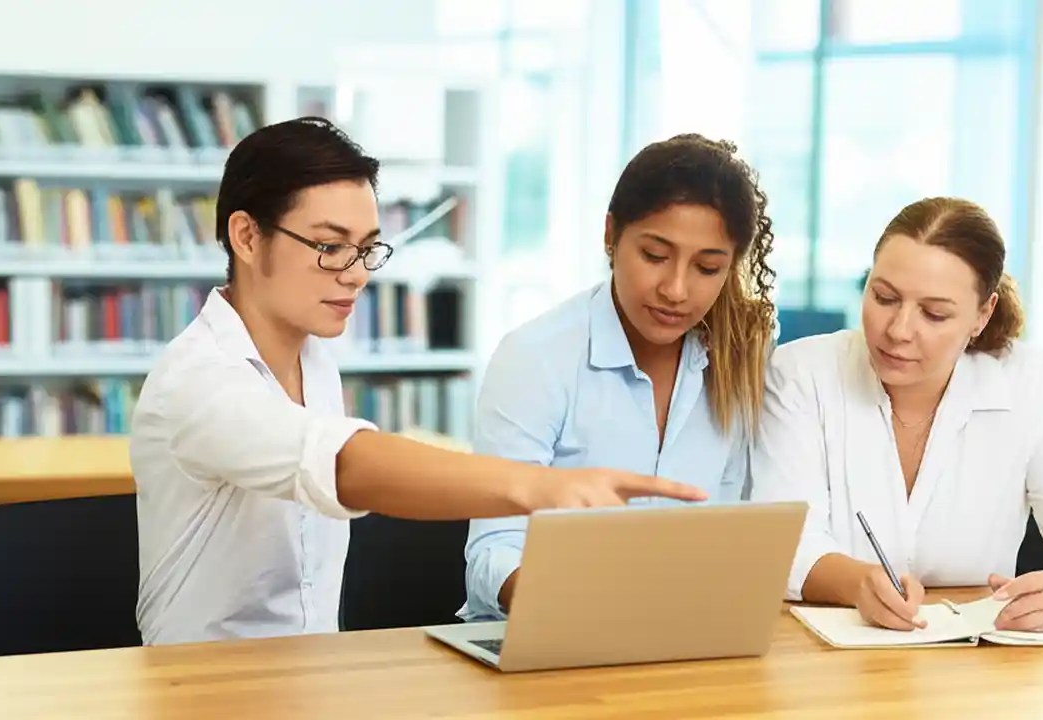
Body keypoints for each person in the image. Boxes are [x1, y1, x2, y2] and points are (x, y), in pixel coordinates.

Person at [130, 117, 706, 646]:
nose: (356, 276)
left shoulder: (315, 364)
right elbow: (345, 465)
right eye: (330, 248)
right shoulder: (198, 380)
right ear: (248, 237)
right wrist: (539, 486)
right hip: (201, 689)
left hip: (307, 679)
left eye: (365, 249)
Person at [750, 197, 1043, 633]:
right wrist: (856, 584)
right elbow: (781, 543)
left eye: (934, 313)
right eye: (884, 297)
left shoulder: (1027, 383)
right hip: (823, 667)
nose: (899, 330)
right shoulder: (801, 375)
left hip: (976, 672)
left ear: (982, 315)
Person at [459, 134, 777, 621]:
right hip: (547, 632)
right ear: (611, 235)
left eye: (707, 268)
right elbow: (494, 550)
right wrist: (578, 607)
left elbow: (746, 529)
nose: (675, 289)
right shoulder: (536, 357)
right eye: (654, 255)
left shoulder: (743, 359)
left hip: (684, 634)